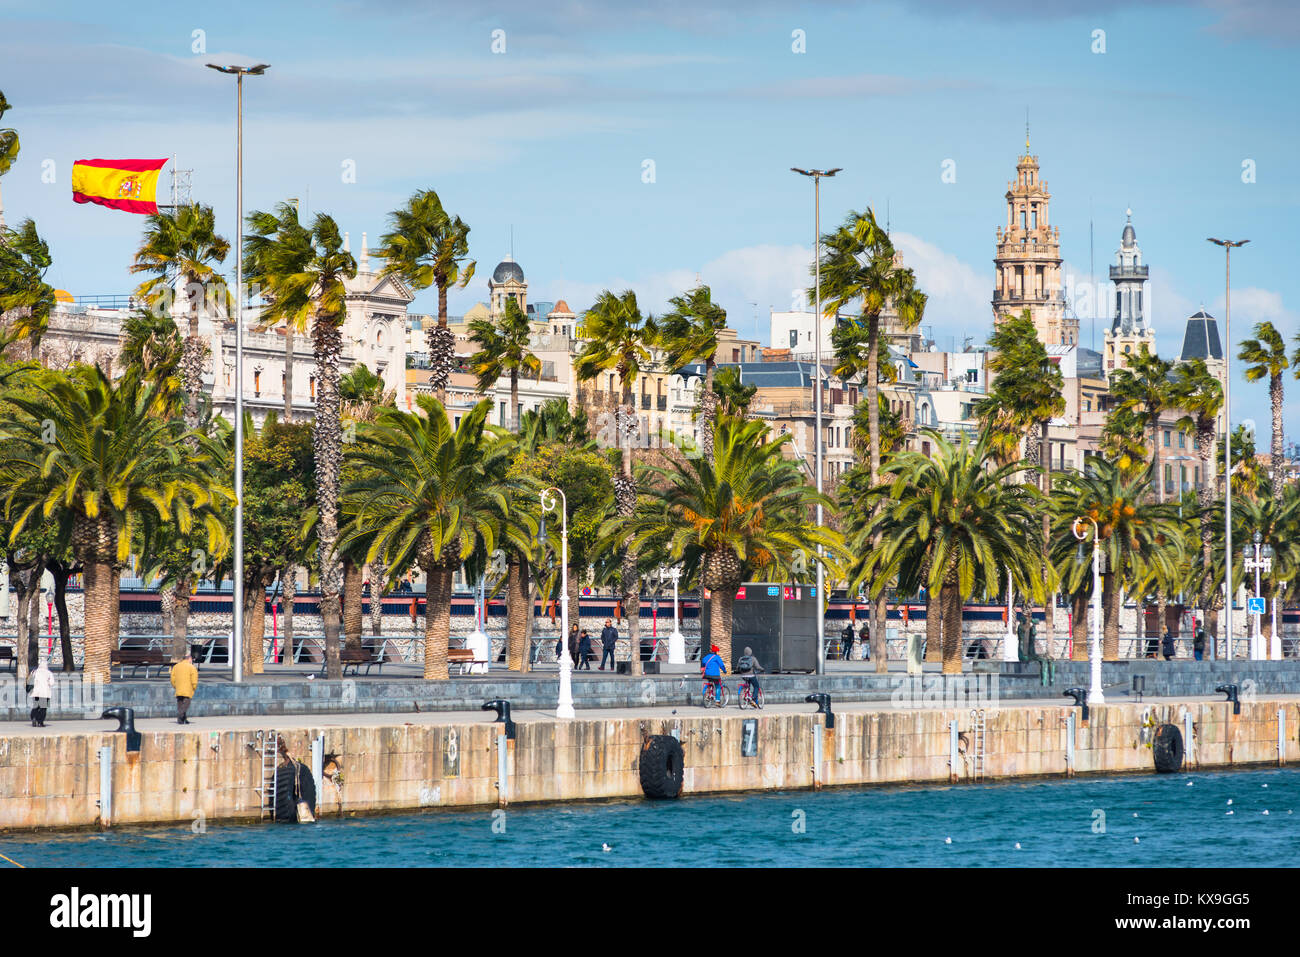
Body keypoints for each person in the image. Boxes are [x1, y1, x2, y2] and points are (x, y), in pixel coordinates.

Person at [170, 651, 198, 725]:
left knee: (180, 703)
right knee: (186, 704)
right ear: (189, 658)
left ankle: (183, 719)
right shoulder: (191, 667)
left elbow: (172, 679)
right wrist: (194, 688)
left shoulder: (176, 666)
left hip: (178, 689)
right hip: (187, 689)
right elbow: (194, 680)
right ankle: (180, 716)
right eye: (191, 659)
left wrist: (175, 686)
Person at [27, 657, 55, 728]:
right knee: (43, 708)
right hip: (45, 693)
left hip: (36, 692)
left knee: (36, 706)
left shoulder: (34, 672)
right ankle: (40, 722)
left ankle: (33, 718)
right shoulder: (49, 673)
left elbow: (30, 680)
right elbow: (52, 683)